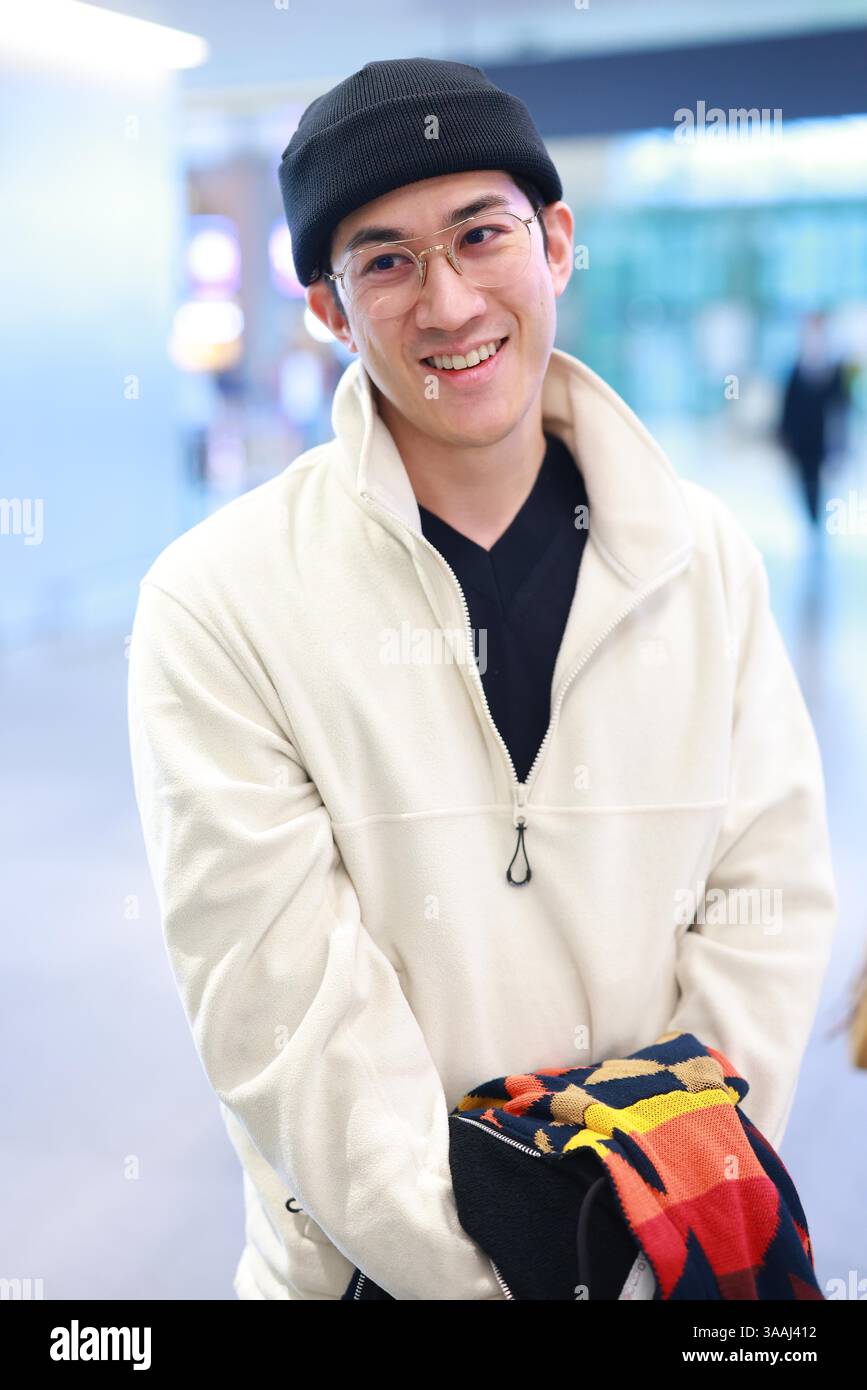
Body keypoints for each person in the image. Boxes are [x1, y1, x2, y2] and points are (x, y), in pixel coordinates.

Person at [126, 58, 837, 1301]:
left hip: (674, 1267)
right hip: (374, 1282)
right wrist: (500, 1284)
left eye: (481, 233)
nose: (449, 302)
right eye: (387, 260)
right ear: (331, 313)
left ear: (555, 242)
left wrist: (648, 1235)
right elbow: (290, 1026)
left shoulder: (701, 561)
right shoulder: (222, 601)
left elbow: (765, 907)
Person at [778, 310, 849, 530]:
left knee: (822, 483)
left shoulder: (834, 369)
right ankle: (812, 521)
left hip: (824, 437)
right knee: (805, 482)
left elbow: (840, 406)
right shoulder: (796, 369)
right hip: (801, 439)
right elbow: (787, 407)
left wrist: (841, 440)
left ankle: (819, 521)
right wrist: (784, 436)